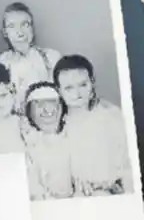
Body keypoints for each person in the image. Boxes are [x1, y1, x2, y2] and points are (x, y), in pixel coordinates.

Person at [54, 54, 132, 196]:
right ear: (59, 90)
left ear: (92, 82)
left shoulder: (111, 116)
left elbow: (128, 164)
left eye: (83, 85)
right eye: (69, 88)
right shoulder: (56, 123)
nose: (77, 93)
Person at [0, 1, 60, 112]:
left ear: (32, 29)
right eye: (12, 26)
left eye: (25, 24)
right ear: (5, 33)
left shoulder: (51, 57)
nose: (20, 32)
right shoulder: (4, 62)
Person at [21, 81, 75, 200]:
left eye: (52, 103)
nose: (47, 110)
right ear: (29, 112)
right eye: (39, 104)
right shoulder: (27, 147)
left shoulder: (74, 138)